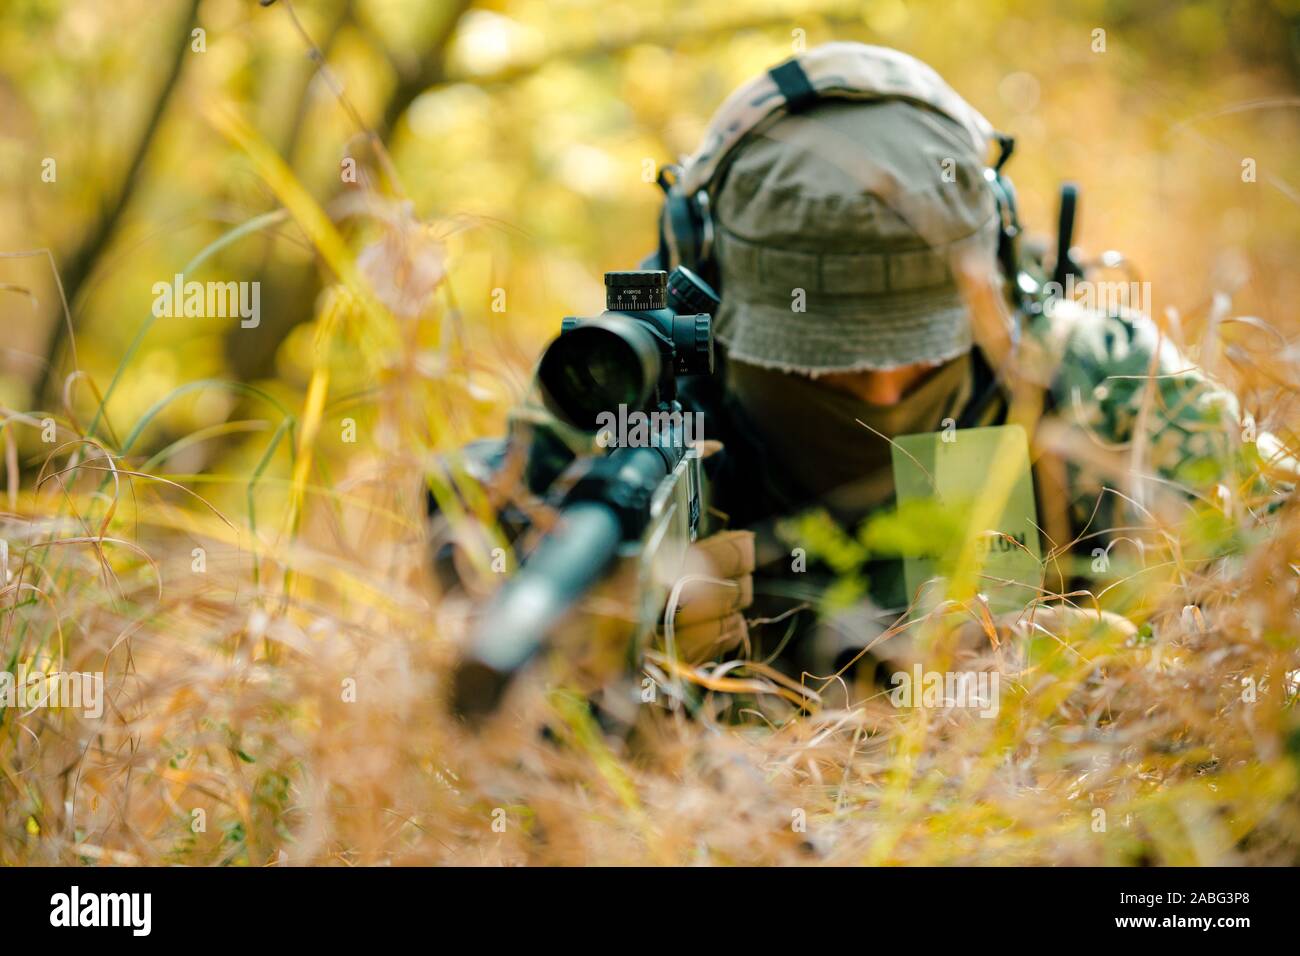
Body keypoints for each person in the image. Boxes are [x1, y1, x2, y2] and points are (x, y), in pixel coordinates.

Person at [444, 43, 1293, 700]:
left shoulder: (1104, 387)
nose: (886, 392)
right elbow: (471, 698)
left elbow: (1276, 591)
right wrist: (611, 672)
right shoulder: (623, 410)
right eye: (829, 367)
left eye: (924, 348)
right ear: (708, 291)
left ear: (999, 287)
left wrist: (1110, 667)